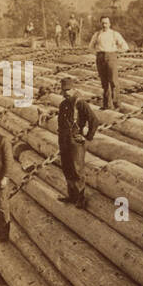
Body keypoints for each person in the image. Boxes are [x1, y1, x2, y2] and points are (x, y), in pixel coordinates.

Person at [55, 76, 99, 207]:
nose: (66, 93)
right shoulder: (63, 104)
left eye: (68, 90)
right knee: (67, 167)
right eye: (64, 90)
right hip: (63, 140)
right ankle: (72, 195)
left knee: (77, 169)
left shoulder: (80, 103)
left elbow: (94, 120)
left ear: (73, 89)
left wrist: (87, 137)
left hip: (75, 140)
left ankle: (81, 198)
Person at [88, 15, 130, 110]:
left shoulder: (114, 34)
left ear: (109, 24)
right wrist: (97, 53)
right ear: (100, 24)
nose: (104, 25)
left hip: (111, 56)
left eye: (106, 23)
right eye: (102, 23)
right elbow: (90, 47)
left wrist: (115, 52)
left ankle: (116, 104)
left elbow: (125, 46)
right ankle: (107, 105)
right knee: (104, 82)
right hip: (100, 57)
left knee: (113, 81)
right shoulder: (97, 34)